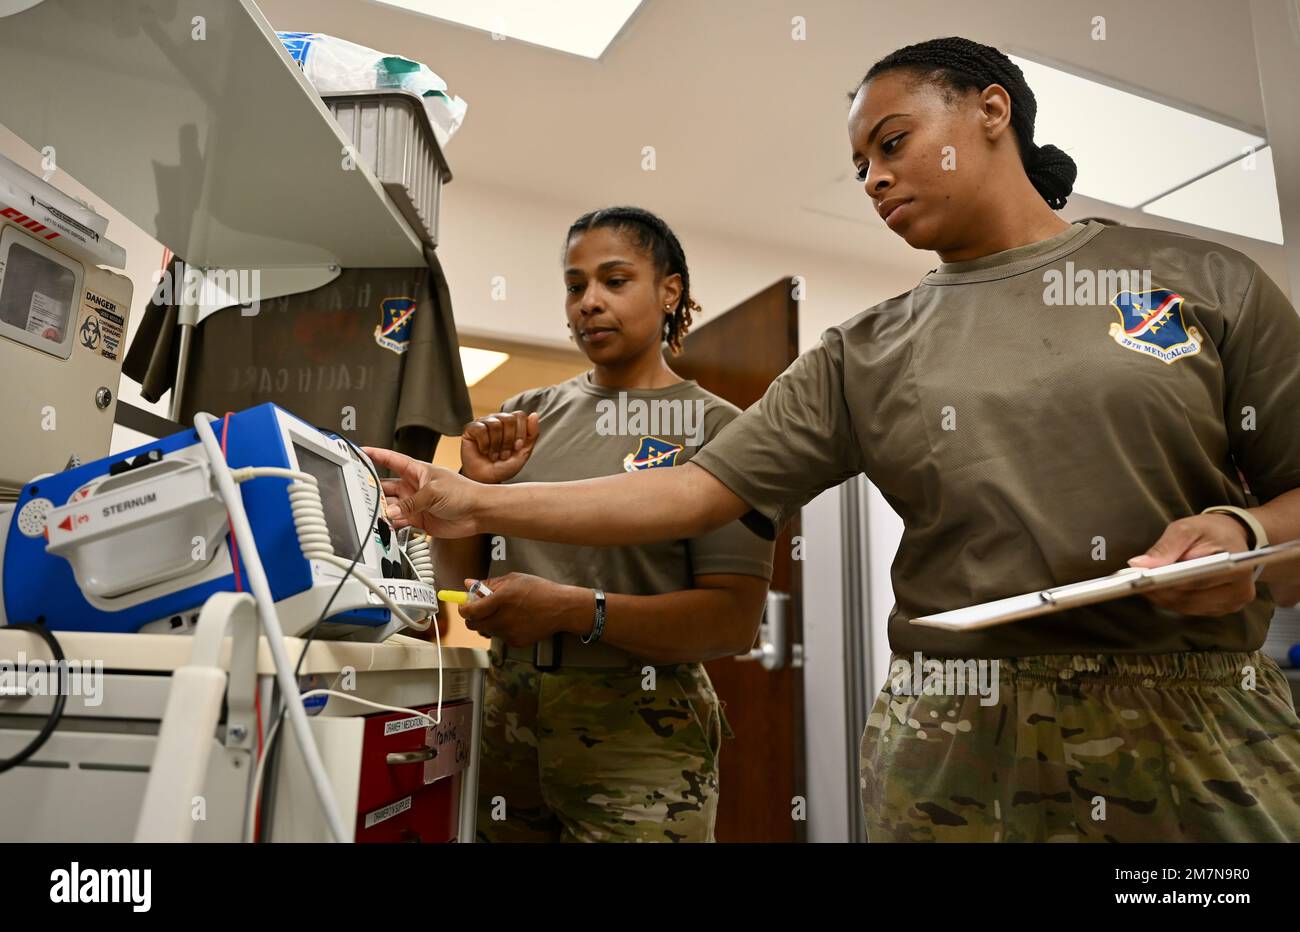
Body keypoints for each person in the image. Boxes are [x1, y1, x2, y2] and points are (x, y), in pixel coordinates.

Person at [368, 37, 1300, 842]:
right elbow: (698, 490)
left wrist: (1251, 541)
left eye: (891, 145)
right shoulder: (866, 350)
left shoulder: (1200, 279)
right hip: (952, 728)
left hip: (1193, 716)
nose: (875, 180)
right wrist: (470, 497)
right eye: (859, 166)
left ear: (991, 111)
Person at [432, 206, 773, 842]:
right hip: (507, 710)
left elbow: (733, 620)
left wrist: (573, 609)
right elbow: (452, 588)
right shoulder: (523, 417)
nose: (588, 302)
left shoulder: (717, 428)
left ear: (669, 291)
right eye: (575, 285)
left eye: (614, 281)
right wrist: (473, 487)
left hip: (642, 727)